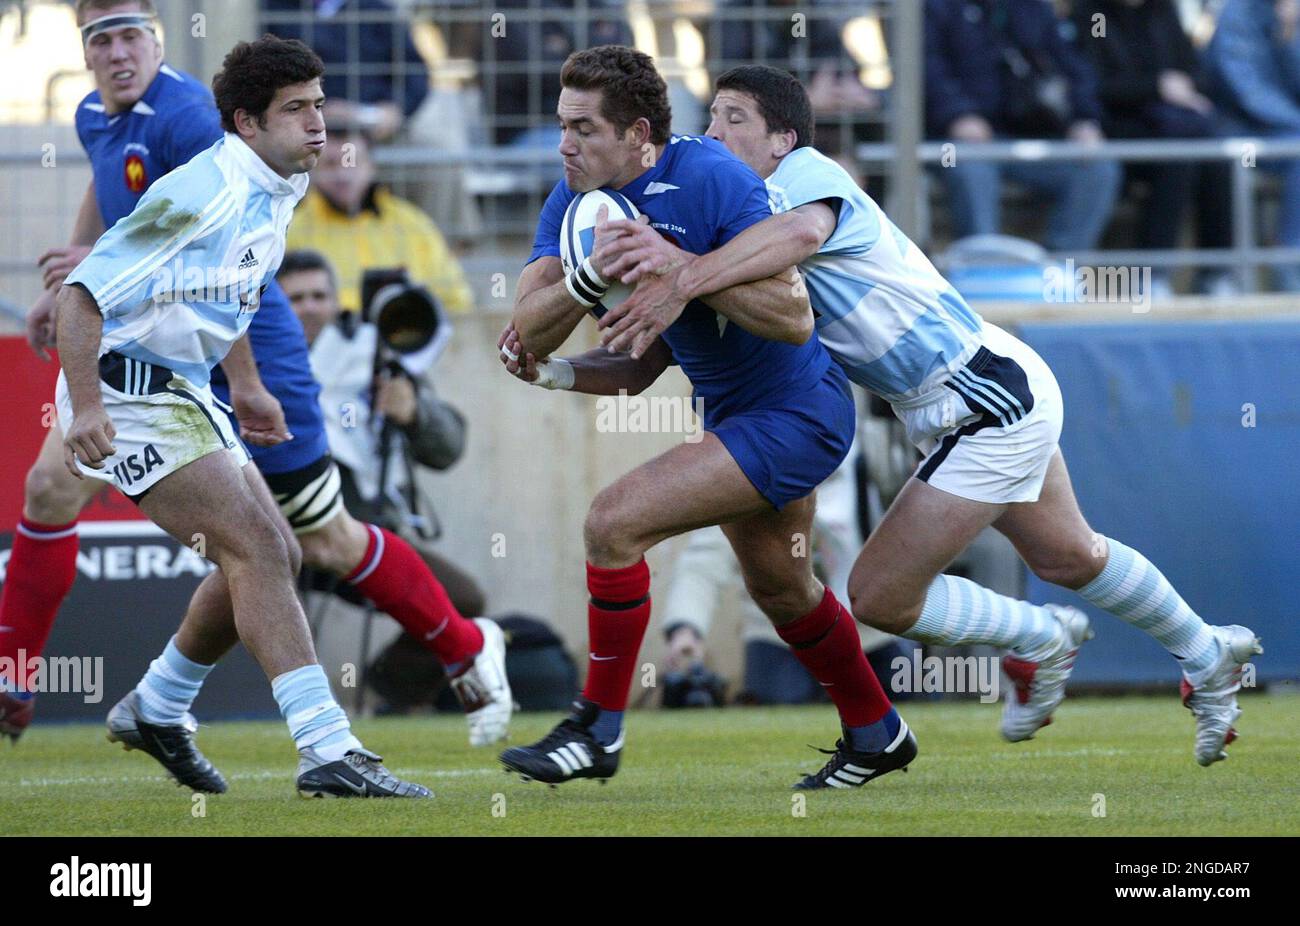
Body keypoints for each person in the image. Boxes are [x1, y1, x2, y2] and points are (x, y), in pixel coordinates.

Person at [596, 64, 1262, 767]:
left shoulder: (802, 178)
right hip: (970, 396)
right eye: (712, 117)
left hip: (981, 396)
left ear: (783, 138)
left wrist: (682, 273)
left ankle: (1039, 636)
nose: (714, 132)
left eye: (736, 118)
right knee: (1071, 554)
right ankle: (1204, 648)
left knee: (878, 595)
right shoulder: (734, 219)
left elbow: (799, 237)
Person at [0, 2, 508, 762]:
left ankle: (466, 645)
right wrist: (80, 273)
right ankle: (27, 679)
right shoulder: (157, 141)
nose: (116, 52)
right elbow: (112, 235)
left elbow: (230, 274)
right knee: (242, 545)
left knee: (305, 543)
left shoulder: (217, 140)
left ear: (158, 38)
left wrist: (247, 379)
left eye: (130, 33)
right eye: (100, 39)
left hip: (229, 356)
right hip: (146, 361)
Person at [496, 45, 914, 791]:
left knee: (613, 522)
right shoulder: (574, 197)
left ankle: (597, 728)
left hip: (797, 412)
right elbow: (554, 335)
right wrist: (566, 338)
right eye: (563, 125)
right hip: (733, 416)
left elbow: (790, 315)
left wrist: (675, 270)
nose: (566, 144)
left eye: (585, 128)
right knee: (785, 591)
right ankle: (877, 730)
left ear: (639, 135)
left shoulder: (711, 177)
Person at [278, 248, 486, 619]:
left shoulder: (374, 353)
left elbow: (449, 449)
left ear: (335, 300)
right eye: (296, 298)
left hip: (369, 534)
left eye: (319, 296)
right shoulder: (260, 362)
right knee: (264, 609)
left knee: (463, 602)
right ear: (276, 306)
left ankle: (388, 679)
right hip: (283, 538)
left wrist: (414, 413)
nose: (309, 307)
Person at [924, 0, 1121, 251]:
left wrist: (1084, 119)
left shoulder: (1033, 7)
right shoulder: (934, 7)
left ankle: (1057, 273)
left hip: (1031, 135)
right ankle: (982, 272)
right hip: (957, 141)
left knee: (1098, 168)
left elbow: (1073, 66)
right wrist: (957, 114)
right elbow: (925, 69)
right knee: (971, 170)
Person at [1071, 0, 1234, 294]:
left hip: (1172, 122)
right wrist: (1155, 87)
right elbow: (1095, 86)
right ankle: (1153, 275)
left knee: (1215, 152)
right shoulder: (1091, 14)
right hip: (1116, 125)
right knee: (1177, 155)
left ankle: (1217, 272)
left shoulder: (1162, 10)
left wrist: (1186, 90)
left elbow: (1194, 71)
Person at [285, 125, 473, 314]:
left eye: (353, 163)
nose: (343, 175)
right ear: (314, 170)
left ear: (371, 166)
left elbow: (456, 299)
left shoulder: (412, 223)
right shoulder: (292, 230)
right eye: (331, 164)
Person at [1204, 0, 1300, 290]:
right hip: (1240, 137)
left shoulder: (1292, 15)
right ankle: (1288, 261)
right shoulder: (1237, 13)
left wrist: (1289, 38)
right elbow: (1249, 93)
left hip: (1287, 133)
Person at [261, 0, 429, 142]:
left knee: (432, 165)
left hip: (370, 130)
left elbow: (415, 74)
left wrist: (392, 109)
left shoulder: (377, 10)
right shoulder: (270, 10)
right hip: (295, 129)